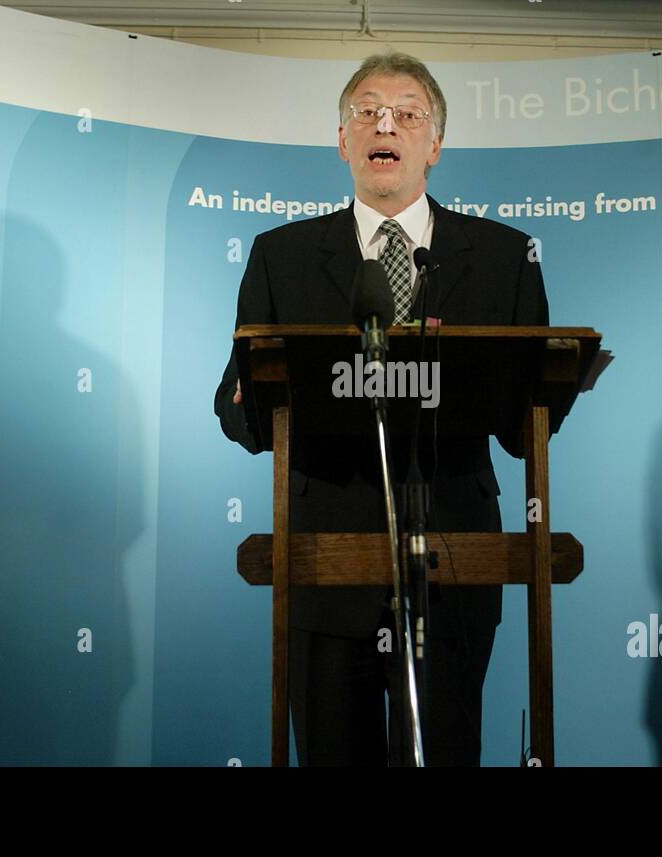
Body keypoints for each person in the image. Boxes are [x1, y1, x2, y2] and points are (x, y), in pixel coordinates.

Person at [214, 51, 549, 766]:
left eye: (406, 111)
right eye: (366, 110)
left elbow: (530, 422)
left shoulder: (502, 256)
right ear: (342, 141)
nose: (384, 122)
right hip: (326, 557)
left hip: (456, 554)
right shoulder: (284, 256)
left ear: (435, 145)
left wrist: (540, 396)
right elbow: (237, 405)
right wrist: (253, 400)